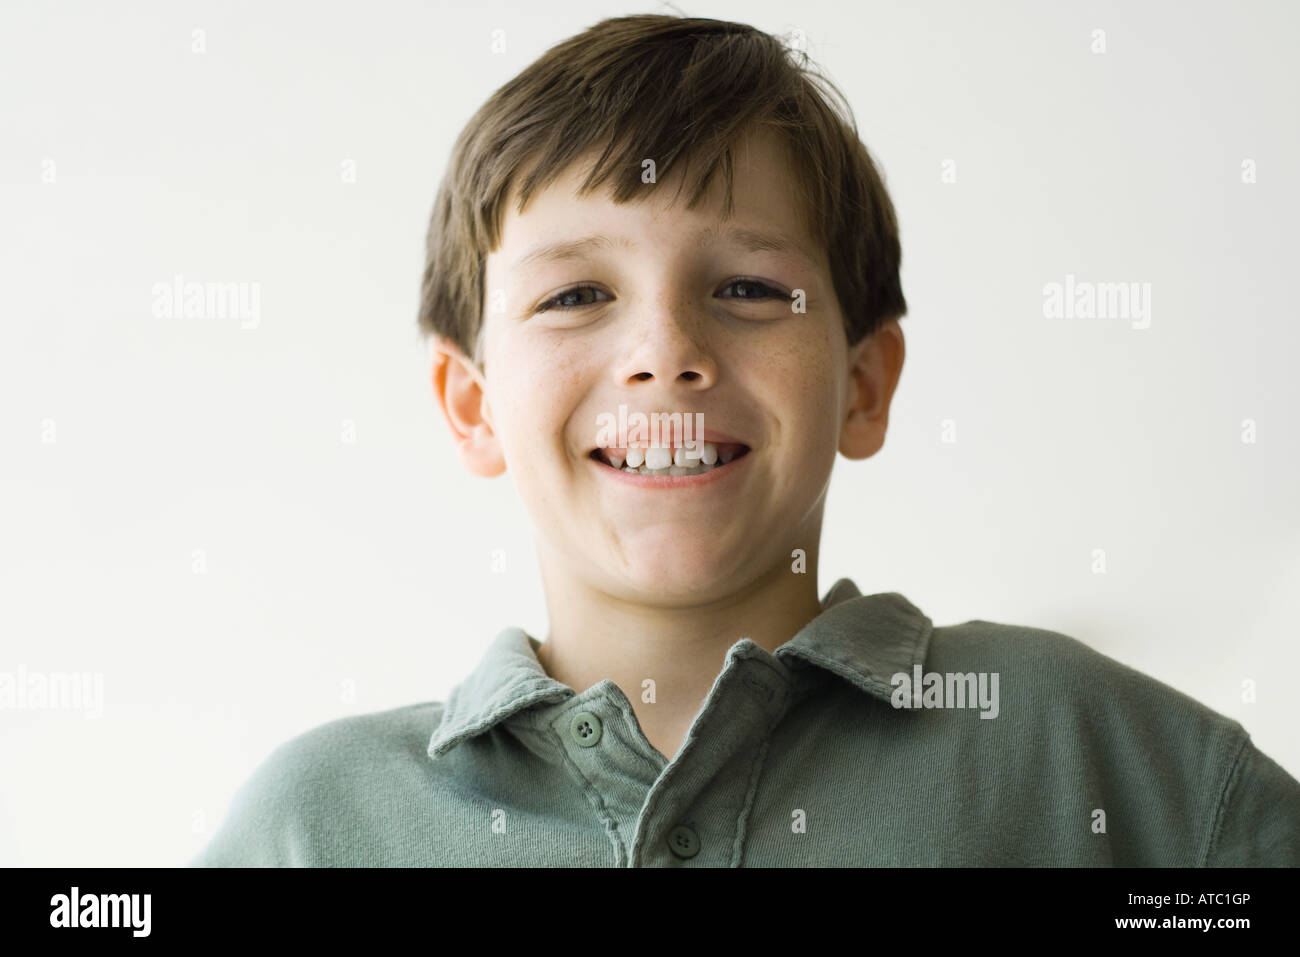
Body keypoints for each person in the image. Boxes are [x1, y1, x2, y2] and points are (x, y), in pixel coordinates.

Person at [192, 14, 1300, 867]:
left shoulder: (1088, 754)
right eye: (577, 294)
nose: (664, 352)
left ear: (864, 386)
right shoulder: (314, 828)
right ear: (471, 405)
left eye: (747, 288)